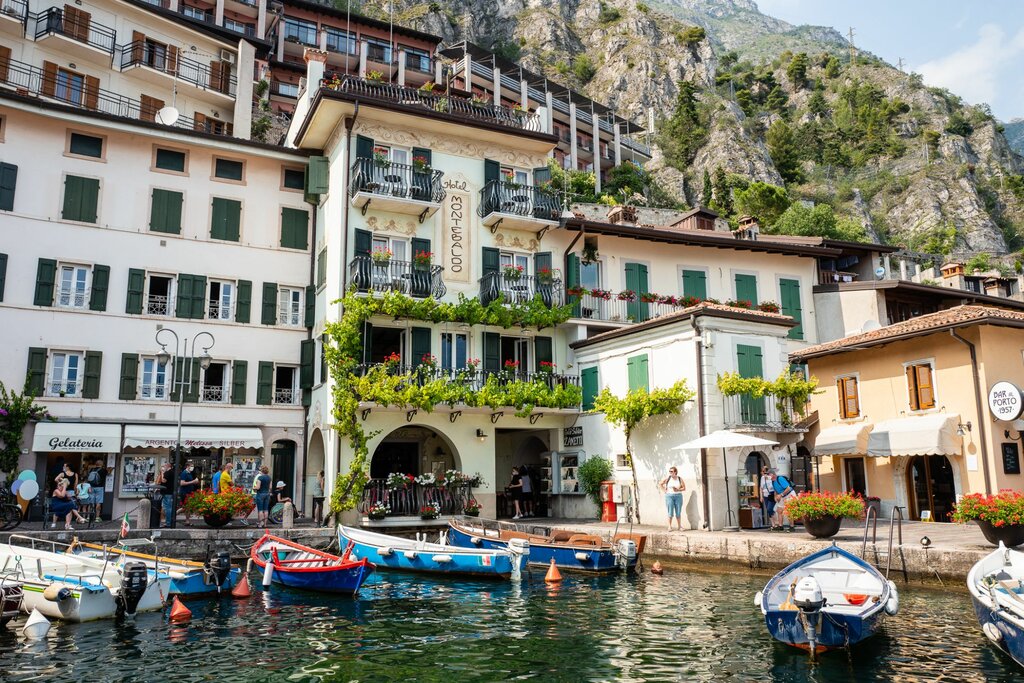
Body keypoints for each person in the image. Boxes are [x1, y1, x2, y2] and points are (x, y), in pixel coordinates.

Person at [659, 466, 686, 531]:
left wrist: (678, 489)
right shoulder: (668, 478)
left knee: (678, 512)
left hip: (678, 496)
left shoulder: (679, 479)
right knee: (670, 511)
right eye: (669, 471)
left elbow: (684, 488)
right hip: (669, 496)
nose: (670, 472)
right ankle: (669, 526)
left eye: (671, 471)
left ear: (675, 472)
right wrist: (664, 491)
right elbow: (660, 484)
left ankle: (679, 526)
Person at [179, 461, 200, 526]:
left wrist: (195, 482)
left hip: (189, 492)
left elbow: (190, 482)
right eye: (191, 466)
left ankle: (187, 520)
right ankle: (175, 514)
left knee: (187, 507)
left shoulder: (189, 473)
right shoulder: (184, 473)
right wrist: (193, 482)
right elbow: (182, 483)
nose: (192, 467)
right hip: (184, 492)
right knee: (186, 507)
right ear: (187, 466)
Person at [157, 462, 175, 528]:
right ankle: (168, 522)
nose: (163, 467)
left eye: (164, 466)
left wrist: (162, 473)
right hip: (169, 492)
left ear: (167, 466)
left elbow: (164, 480)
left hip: (167, 492)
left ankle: (168, 523)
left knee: (167, 508)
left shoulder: (168, 473)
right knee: (168, 507)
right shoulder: (172, 472)